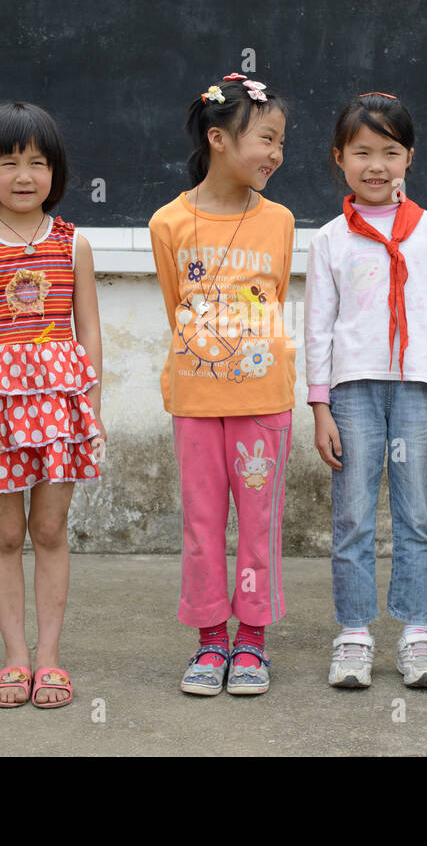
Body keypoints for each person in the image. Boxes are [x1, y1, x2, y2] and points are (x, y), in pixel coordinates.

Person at [0, 101, 104, 709]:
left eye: (38, 162)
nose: (24, 175)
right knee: (7, 533)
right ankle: (14, 659)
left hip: (59, 406)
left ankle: (51, 659)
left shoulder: (73, 243)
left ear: (55, 172)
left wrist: (88, 404)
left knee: (50, 529)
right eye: (9, 162)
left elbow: (88, 329)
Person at [305, 92, 427, 689]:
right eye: (362, 152)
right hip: (354, 390)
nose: (376, 165)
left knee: (417, 514)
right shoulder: (328, 240)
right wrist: (320, 405)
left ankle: (417, 633)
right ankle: (353, 634)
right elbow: (318, 326)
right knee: (352, 515)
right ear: (339, 158)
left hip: (419, 391)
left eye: (390, 152)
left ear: (409, 159)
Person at [149, 73, 294, 696]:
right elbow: (173, 302)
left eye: (281, 143)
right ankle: (211, 641)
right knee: (203, 524)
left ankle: (253, 644)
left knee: (259, 525)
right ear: (218, 139)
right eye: (266, 139)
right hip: (196, 400)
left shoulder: (281, 221)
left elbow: (276, 299)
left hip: (263, 401)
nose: (275, 155)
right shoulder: (169, 223)